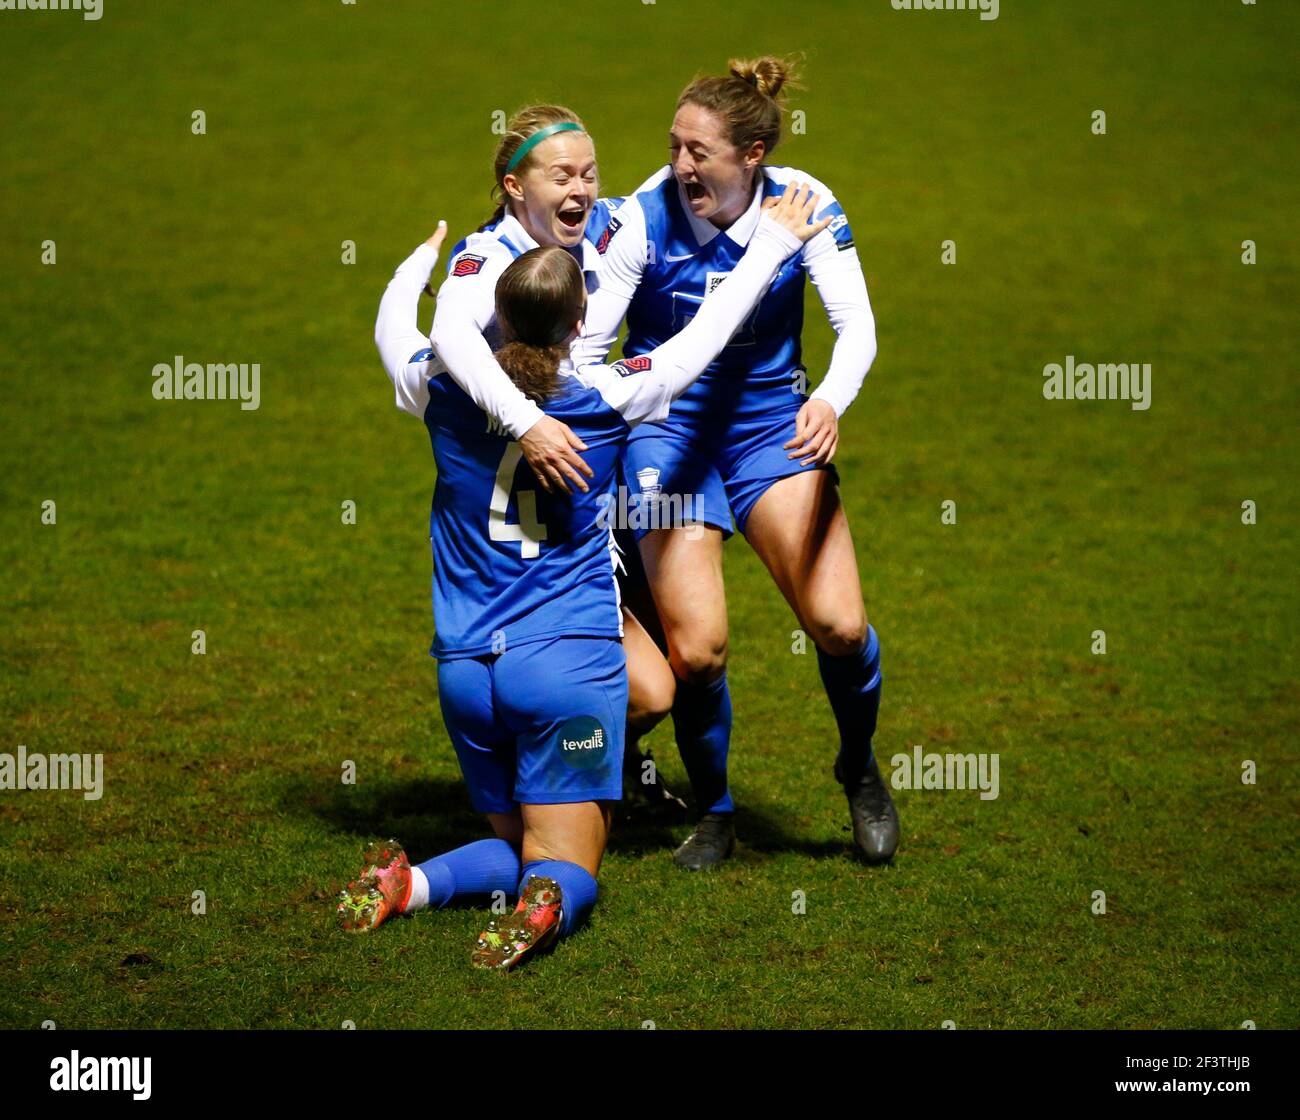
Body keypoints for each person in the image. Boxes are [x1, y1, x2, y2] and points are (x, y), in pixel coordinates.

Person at [338, 183, 830, 969]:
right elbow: (701, 339)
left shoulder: (439, 385)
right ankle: (549, 905)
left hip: (466, 666)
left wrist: (418, 265)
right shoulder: (608, 393)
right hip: (568, 661)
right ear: (579, 324)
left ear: (492, 314)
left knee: (522, 838)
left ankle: (412, 884)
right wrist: (770, 245)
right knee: (567, 862)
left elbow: (395, 326)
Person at [570, 56, 899, 869]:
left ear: (753, 156)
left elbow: (856, 327)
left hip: (768, 431)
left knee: (838, 625)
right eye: (675, 146)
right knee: (701, 649)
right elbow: (587, 351)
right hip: (668, 436)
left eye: (699, 153)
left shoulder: (807, 203)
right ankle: (715, 812)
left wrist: (827, 399)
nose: (680, 167)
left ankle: (857, 766)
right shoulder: (638, 222)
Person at [429, 103, 680, 807]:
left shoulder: (602, 225)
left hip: (600, 451)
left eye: (590, 174)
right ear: (514, 186)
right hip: (527, 491)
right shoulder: (488, 257)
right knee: (629, 668)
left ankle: (595, 755)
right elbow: (447, 330)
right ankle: (546, 768)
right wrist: (525, 423)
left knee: (655, 640)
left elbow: (676, 181)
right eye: (562, 175)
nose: (581, 189)